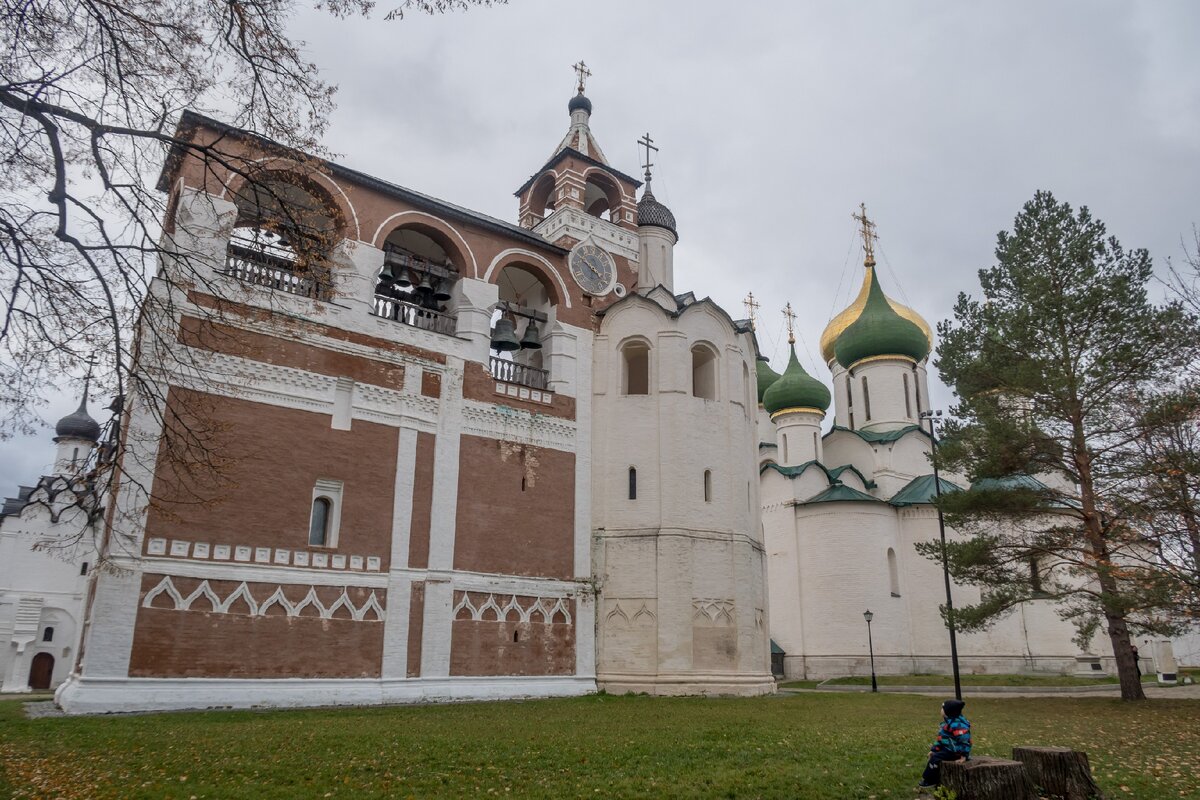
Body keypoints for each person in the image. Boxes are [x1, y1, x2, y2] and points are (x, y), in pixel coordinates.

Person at [918, 698, 971, 789]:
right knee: (934, 755)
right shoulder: (947, 723)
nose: (941, 710)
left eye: (943, 708)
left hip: (955, 752)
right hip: (948, 748)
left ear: (948, 712)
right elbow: (941, 739)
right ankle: (932, 776)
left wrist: (964, 755)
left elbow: (965, 741)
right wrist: (934, 749)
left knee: (935, 758)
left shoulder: (957, 725)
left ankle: (930, 780)